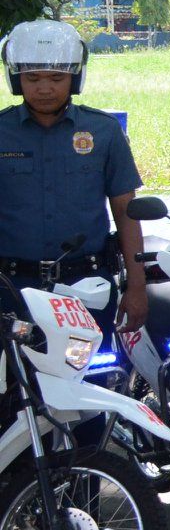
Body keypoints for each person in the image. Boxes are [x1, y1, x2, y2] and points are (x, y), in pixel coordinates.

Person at [0, 19, 147, 335]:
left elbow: (126, 212)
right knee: (14, 381)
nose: (44, 88)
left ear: (75, 77)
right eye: (32, 78)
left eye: (56, 77)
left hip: (88, 285)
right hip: (12, 290)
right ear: (16, 80)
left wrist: (137, 287)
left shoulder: (104, 131)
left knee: (96, 377)